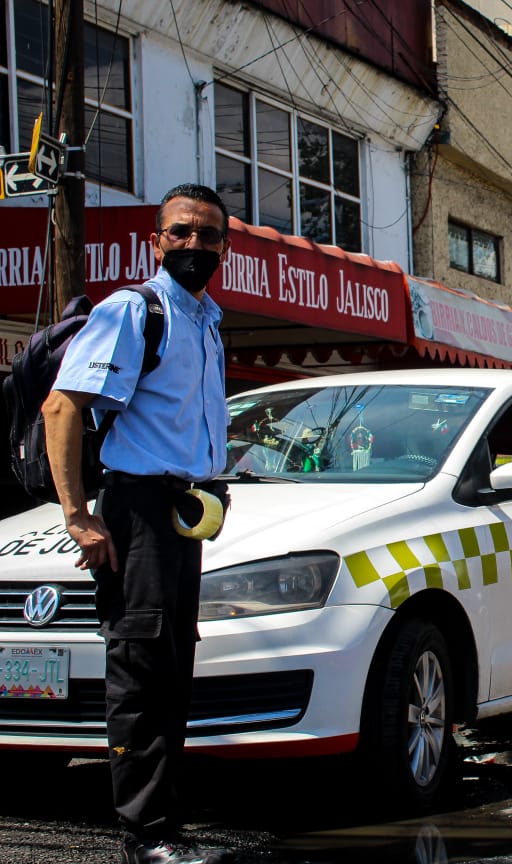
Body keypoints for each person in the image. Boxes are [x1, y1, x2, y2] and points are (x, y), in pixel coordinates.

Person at [43, 184, 232, 864]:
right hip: (139, 512)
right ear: (156, 241)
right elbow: (62, 407)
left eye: (208, 235)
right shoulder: (135, 310)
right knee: (142, 670)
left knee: (173, 670)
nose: (193, 245)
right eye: (180, 232)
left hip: (183, 517)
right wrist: (78, 516)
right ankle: (144, 836)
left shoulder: (207, 321)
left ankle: (165, 827)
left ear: (224, 248)